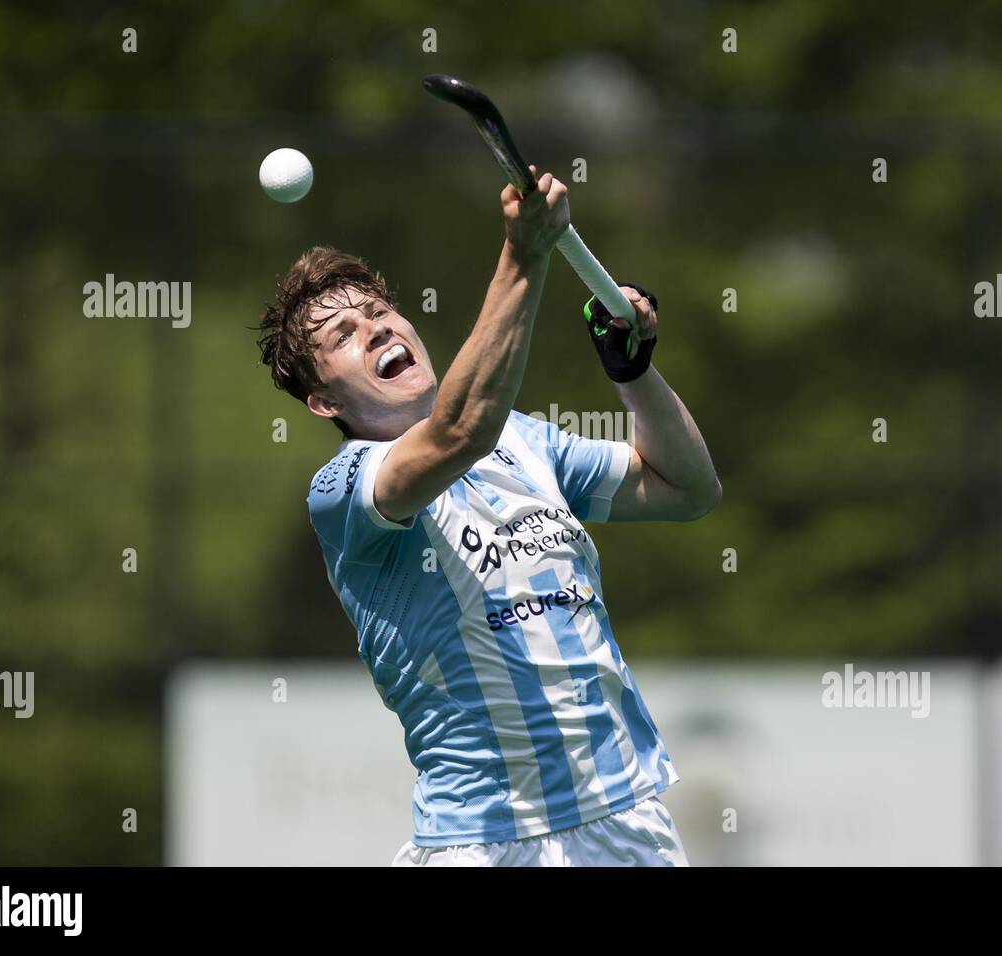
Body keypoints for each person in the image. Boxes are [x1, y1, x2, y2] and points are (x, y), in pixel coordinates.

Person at [256, 166, 720, 866]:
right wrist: (524, 252)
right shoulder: (347, 491)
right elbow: (457, 431)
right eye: (346, 334)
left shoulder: (524, 441)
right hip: (486, 841)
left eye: (380, 312)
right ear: (324, 401)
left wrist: (633, 374)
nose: (377, 328)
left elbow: (688, 490)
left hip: (627, 816)